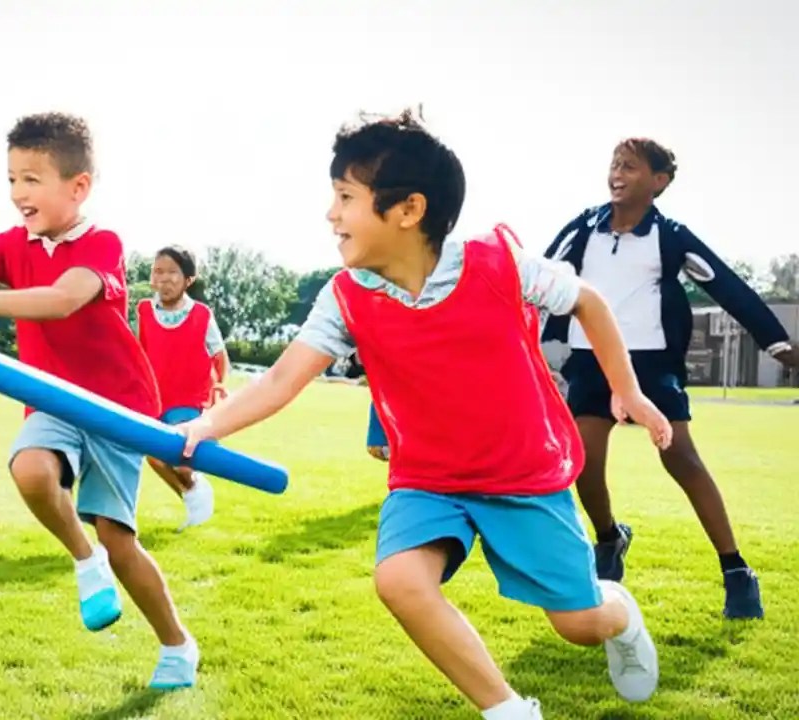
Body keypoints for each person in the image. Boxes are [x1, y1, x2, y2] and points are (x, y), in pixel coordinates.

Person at [177, 109, 670, 717]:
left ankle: (620, 615)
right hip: (429, 478)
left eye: (346, 197)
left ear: (409, 209)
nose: (331, 214)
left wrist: (628, 391)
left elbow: (588, 301)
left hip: (523, 474)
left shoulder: (497, 263)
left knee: (580, 624)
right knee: (400, 580)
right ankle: (509, 711)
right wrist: (204, 426)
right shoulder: (345, 297)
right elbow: (281, 379)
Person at [0, 112, 198, 689]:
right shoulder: (13, 243)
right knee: (31, 470)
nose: (18, 192)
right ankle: (84, 559)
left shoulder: (103, 245)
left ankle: (176, 645)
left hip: (113, 407)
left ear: (78, 186)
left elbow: (62, 299)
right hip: (51, 400)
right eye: (12, 179)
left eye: (32, 179)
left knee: (120, 540)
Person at [541, 138, 798, 619]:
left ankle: (736, 570)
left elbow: (727, 285)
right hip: (590, 360)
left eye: (630, 167)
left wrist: (776, 342)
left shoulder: (671, 236)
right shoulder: (583, 229)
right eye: (615, 165)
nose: (617, 174)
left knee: (680, 456)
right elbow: (538, 274)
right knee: (583, 461)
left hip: (652, 363)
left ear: (658, 182)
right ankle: (609, 538)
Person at [135, 245, 227, 529]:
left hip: (190, 400)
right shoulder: (144, 310)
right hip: (155, 400)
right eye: (158, 271)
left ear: (188, 279)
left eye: (172, 272)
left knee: (180, 460)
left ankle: (194, 486)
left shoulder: (201, 313)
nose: (164, 278)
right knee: (154, 456)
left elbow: (219, 355)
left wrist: (218, 388)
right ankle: (192, 494)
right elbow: (140, 352)